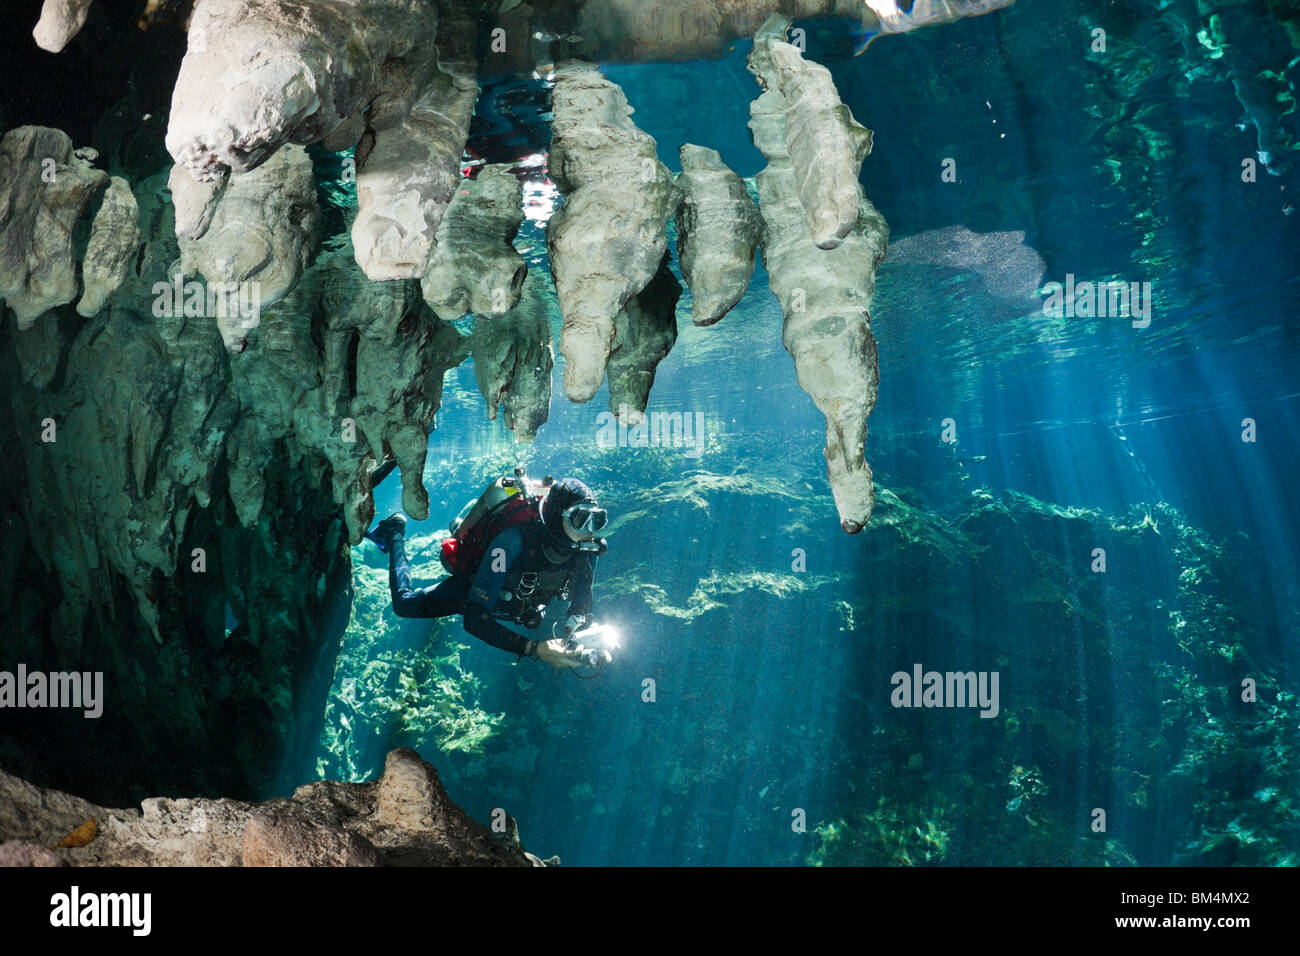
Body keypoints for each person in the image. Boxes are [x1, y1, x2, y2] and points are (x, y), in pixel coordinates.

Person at [369, 476, 607, 669]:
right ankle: (394, 530)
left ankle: (457, 524)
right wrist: (533, 649)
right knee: (404, 605)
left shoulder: (585, 550)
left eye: (597, 520)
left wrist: (587, 641)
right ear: (557, 516)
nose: (589, 531)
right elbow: (474, 619)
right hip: (479, 585)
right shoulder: (511, 542)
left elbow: (581, 608)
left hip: (520, 601)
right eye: (581, 519)